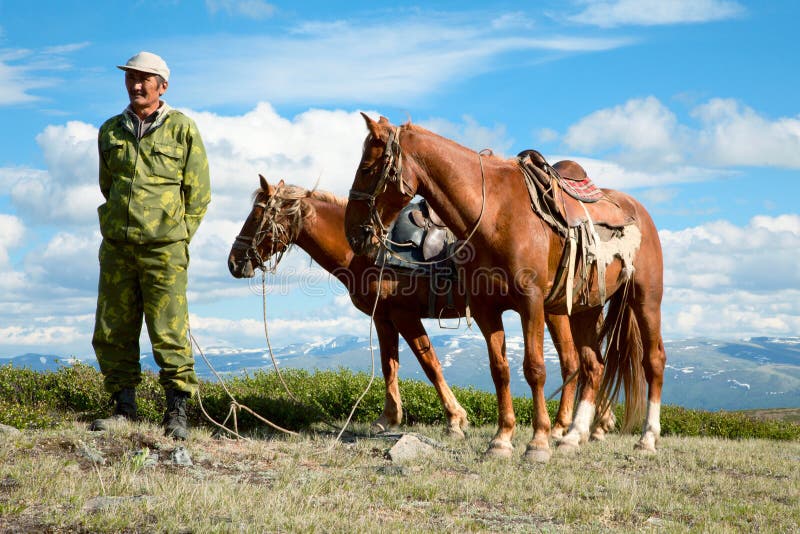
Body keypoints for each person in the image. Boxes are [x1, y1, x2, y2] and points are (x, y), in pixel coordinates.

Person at [89, 51, 211, 440]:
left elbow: (199, 193)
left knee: (169, 330)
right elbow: (108, 185)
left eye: (145, 79)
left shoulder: (183, 129)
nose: (136, 85)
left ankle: (176, 413)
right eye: (131, 78)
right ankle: (123, 408)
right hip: (118, 248)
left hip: (165, 250)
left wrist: (177, 236)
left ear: (163, 86)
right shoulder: (110, 130)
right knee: (112, 329)